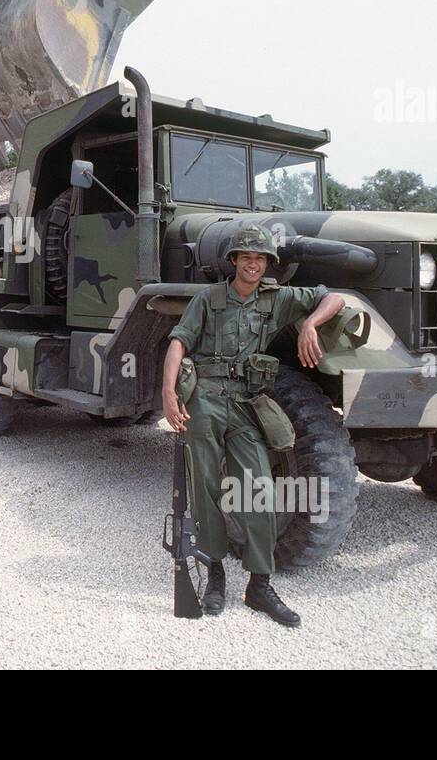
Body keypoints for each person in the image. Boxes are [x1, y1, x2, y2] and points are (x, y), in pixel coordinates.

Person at [161, 225, 344, 627]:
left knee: (258, 488)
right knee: (206, 489)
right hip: (204, 400)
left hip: (248, 403)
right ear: (234, 261)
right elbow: (178, 342)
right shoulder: (208, 299)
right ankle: (215, 575)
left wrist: (310, 324)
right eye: (246, 257)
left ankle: (259, 584)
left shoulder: (276, 299)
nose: (253, 263)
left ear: (268, 264)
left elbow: (333, 297)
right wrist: (169, 394)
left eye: (260, 258)